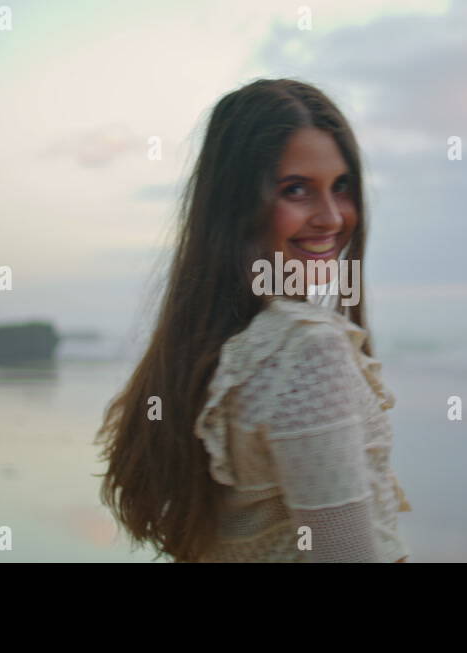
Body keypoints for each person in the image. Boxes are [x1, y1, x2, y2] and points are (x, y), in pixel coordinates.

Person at [95, 78, 410, 562]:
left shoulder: (214, 352)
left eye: (341, 186)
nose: (331, 217)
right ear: (238, 206)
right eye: (296, 190)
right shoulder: (306, 350)